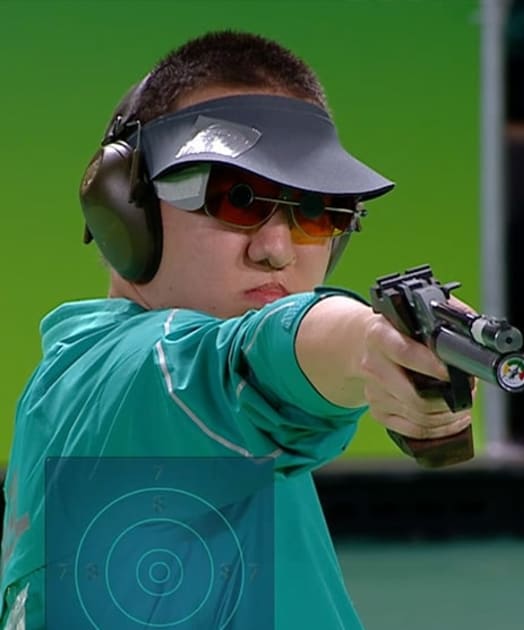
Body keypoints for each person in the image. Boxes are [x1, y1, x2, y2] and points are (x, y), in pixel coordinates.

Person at [1, 31, 471, 629]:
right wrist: (367, 343)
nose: (276, 250)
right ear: (126, 206)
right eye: (236, 198)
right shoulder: (109, 380)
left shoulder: (180, 417)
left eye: (316, 210)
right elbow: (250, 360)